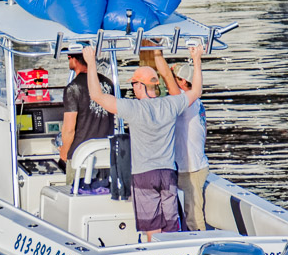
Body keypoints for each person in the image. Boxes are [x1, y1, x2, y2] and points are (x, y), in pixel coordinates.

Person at [82, 44, 203, 241]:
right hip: (167, 173)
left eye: (133, 85)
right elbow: (196, 91)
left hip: (144, 175)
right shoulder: (171, 104)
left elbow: (97, 96)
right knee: (171, 229)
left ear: (140, 86)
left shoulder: (133, 108)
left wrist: (91, 63)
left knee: (152, 230)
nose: (133, 89)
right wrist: (196, 60)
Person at [155, 57, 209, 231]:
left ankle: (199, 250)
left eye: (176, 79)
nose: (172, 84)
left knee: (193, 218)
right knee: (184, 216)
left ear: (184, 83)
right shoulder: (194, 102)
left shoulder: (187, 103)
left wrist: (157, 54)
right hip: (188, 167)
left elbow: (167, 80)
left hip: (191, 169)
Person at [58, 51, 115, 187]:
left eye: (69, 57)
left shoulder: (73, 88)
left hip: (81, 154)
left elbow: (69, 128)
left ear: (74, 60)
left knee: (77, 196)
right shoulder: (108, 84)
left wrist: (64, 153)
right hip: (104, 152)